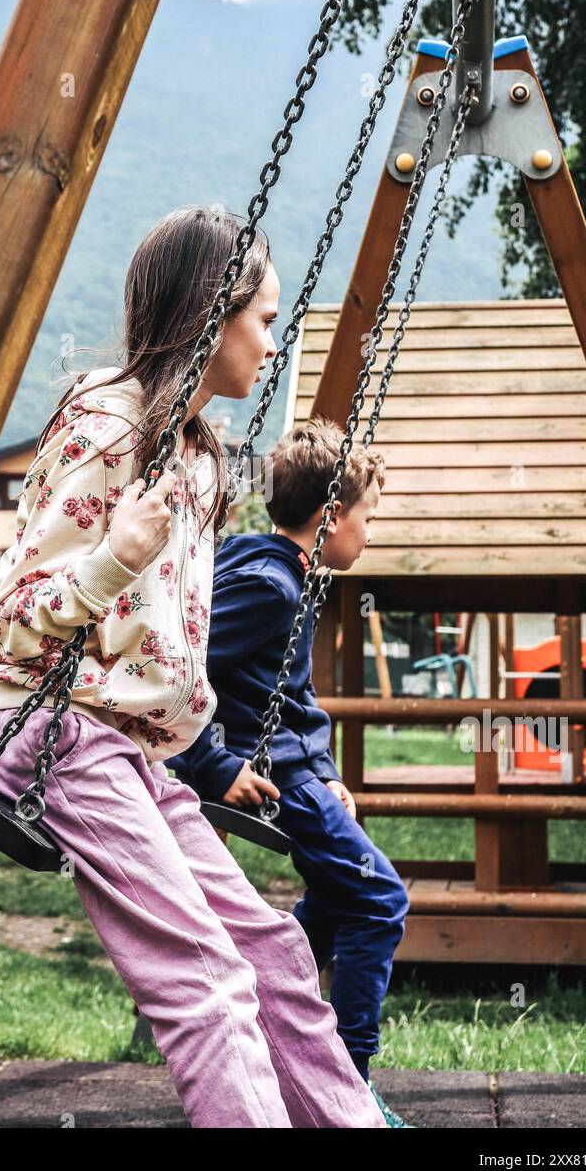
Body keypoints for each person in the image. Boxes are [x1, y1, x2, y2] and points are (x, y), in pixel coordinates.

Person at [0, 204, 388, 1129]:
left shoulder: (198, 455)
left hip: (131, 749)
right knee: (208, 977)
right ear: (212, 312)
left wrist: (227, 757)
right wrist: (112, 557)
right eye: (265, 320)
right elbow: (11, 619)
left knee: (273, 951)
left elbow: (167, 650)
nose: (274, 345)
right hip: (50, 727)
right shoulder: (108, 424)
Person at [166, 417, 413, 1126]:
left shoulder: (285, 575)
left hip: (300, 773)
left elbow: (293, 700)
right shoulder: (270, 587)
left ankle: (289, 1053)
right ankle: (349, 1085)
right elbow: (173, 674)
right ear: (331, 514)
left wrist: (329, 768)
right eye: (367, 517)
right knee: (380, 902)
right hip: (277, 780)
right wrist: (213, 767)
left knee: (339, 900)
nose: (369, 532)